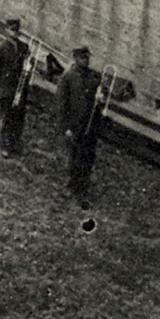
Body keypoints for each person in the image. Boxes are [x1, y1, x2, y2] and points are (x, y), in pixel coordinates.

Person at [55, 46, 105, 202]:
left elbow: (100, 100)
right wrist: (66, 128)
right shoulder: (68, 77)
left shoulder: (94, 77)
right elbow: (61, 104)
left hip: (90, 126)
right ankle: (72, 186)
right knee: (75, 157)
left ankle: (83, 187)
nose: (87, 60)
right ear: (76, 58)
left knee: (88, 157)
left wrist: (100, 100)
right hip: (75, 125)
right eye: (83, 58)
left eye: (88, 58)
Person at [0, 18, 30, 158]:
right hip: (6, 90)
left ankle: (16, 144)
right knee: (7, 119)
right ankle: (6, 146)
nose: (15, 33)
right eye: (12, 30)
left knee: (19, 118)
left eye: (17, 30)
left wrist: (28, 69)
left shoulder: (24, 48)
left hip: (20, 90)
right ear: (6, 30)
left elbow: (27, 68)